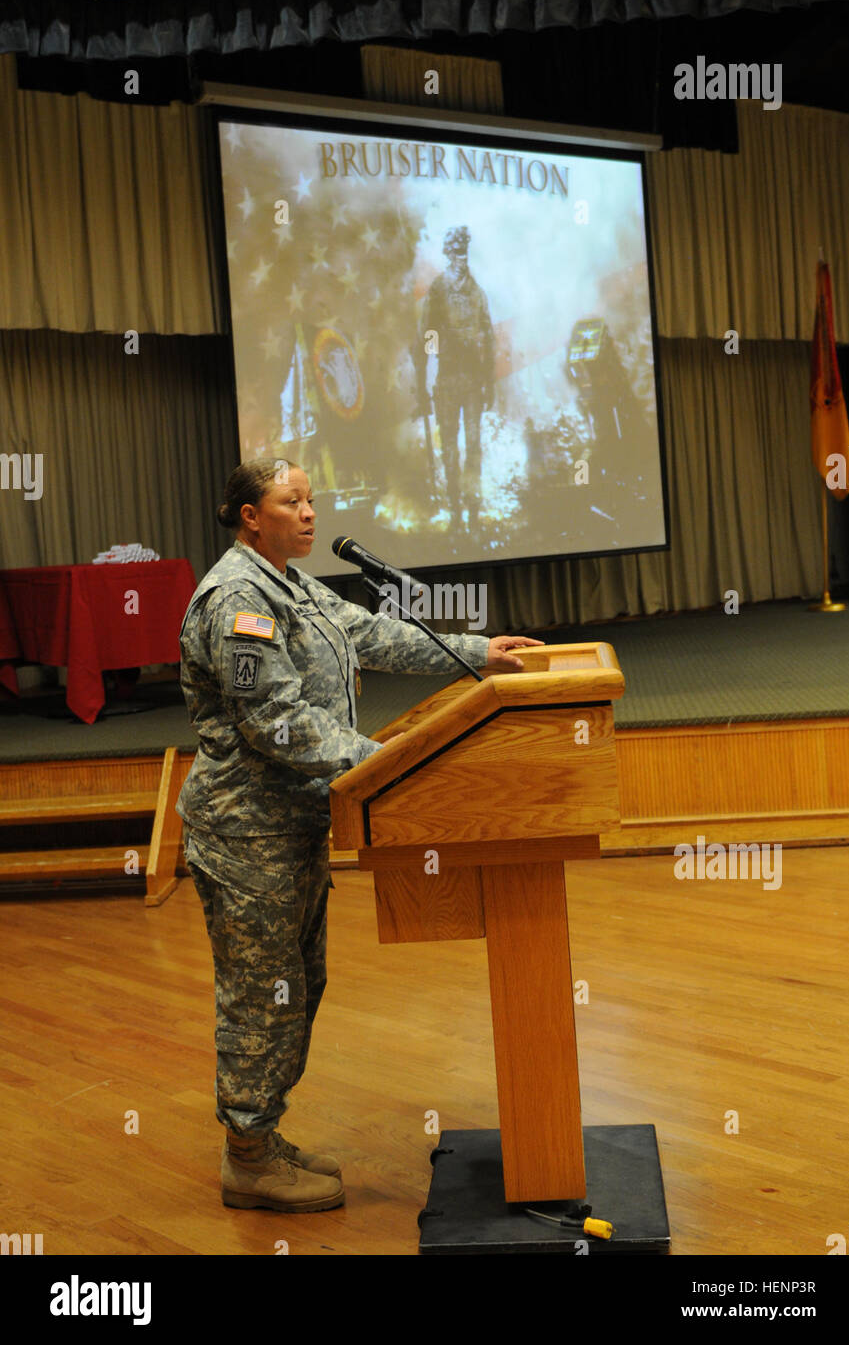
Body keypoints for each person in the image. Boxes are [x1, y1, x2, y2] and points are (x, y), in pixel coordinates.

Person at [177, 457, 543, 1213]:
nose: (309, 513)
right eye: (291, 501)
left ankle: (262, 1134)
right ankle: (246, 1157)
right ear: (251, 515)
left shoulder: (289, 585)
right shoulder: (238, 600)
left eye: (312, 499)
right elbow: (273, 720)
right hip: (247, 836)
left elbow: (371, 634)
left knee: (298, 987)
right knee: (260, 999)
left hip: (294, 826)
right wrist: (388, 762)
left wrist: (479, 656)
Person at [415, 226, 495, 537]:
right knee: (450, 448)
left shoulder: (477, 293)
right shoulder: (437, 291)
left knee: (473, 446)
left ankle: (473, 514)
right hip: (447, 380)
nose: (462, 258)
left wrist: (490, 383)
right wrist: (422, 387)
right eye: (456, 252)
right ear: (448, 254)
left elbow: (488, 337)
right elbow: (422, 340)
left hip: (473, 381)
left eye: (465, 252)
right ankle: (456, 515)